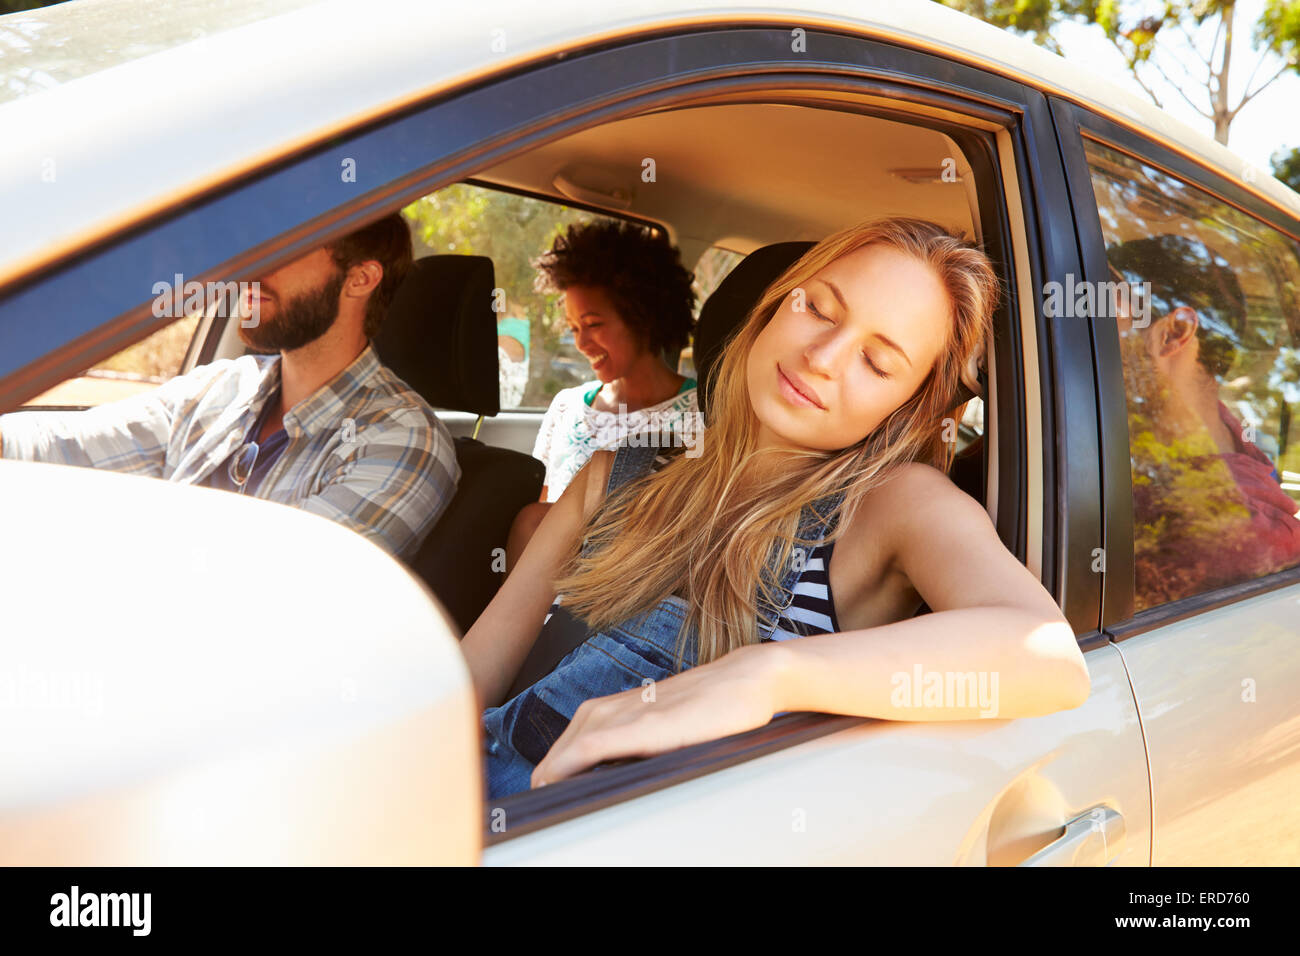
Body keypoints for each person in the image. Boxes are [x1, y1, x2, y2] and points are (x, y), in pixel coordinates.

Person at [463, 217, 1090, 799]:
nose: (823, 357)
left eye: (876, 361)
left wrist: (766, 675)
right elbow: (465, 688)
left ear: (904, 406)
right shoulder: (612, 476)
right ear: (774, 303)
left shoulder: (893, 505)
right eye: (817, 307)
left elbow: (1050, 660)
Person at [0, 213, 460, 560]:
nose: (252, 268)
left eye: (287, 249)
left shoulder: (402, 441)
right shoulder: (222, 388)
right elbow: (69, 447)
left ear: (360, 278)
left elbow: (268, 585)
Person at [1107, 235, 1300, 608]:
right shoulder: (1224, 443)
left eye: (1102, 312)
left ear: (1174, 333)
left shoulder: (1218, 537)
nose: (1075, 332)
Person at [504, 221, 701, 570]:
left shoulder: (703, 413)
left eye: (593, 324)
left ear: (644, 316)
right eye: (574, 328)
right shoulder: (566, 407)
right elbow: (539, 527)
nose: (580, 343)